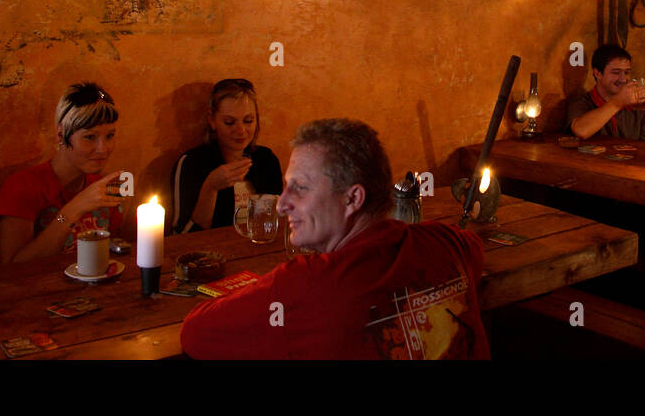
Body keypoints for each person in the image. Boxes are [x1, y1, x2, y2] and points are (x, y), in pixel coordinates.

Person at [180, 118, 489, 359]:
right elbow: (475, 250)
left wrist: (261, 291)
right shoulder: (448, 243)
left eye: (301, 188)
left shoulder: (303, 286)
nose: (282, 203)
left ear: (352, 198)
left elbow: (194, 334)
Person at [0, 81, 125, 264]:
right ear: (60, 135)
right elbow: (12, 267)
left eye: (110, 136)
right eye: (89, 137)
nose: (103, 149)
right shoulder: (23, 186)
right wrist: (74, 209)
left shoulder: (105, 185)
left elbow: (113, 253)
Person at [172, 79, 283, 233]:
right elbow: (183, 234)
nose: (241, 130)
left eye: (248, 121)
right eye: (229, 122)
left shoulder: (266, 160)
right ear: (212, 120)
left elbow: (276, 223)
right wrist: (210, 187)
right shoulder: (192, 163)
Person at [567, 43, 645, 141]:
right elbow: (580, 131)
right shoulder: (581, 103)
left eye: (626, 72)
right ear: (598, 74)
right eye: (616, 72)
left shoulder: (637, 111)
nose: (623, 79)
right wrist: (617, 102)